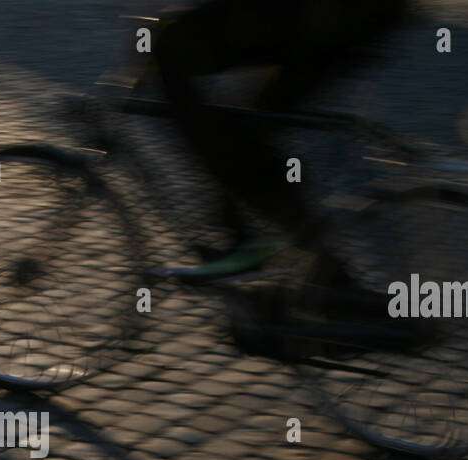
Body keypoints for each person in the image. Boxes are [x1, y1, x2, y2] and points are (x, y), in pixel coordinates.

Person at [150, 0, 412, 278]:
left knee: (171, 47)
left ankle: (276, 253)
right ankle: (306, 264)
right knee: (244, 126)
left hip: (318, 18)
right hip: (338, 17)